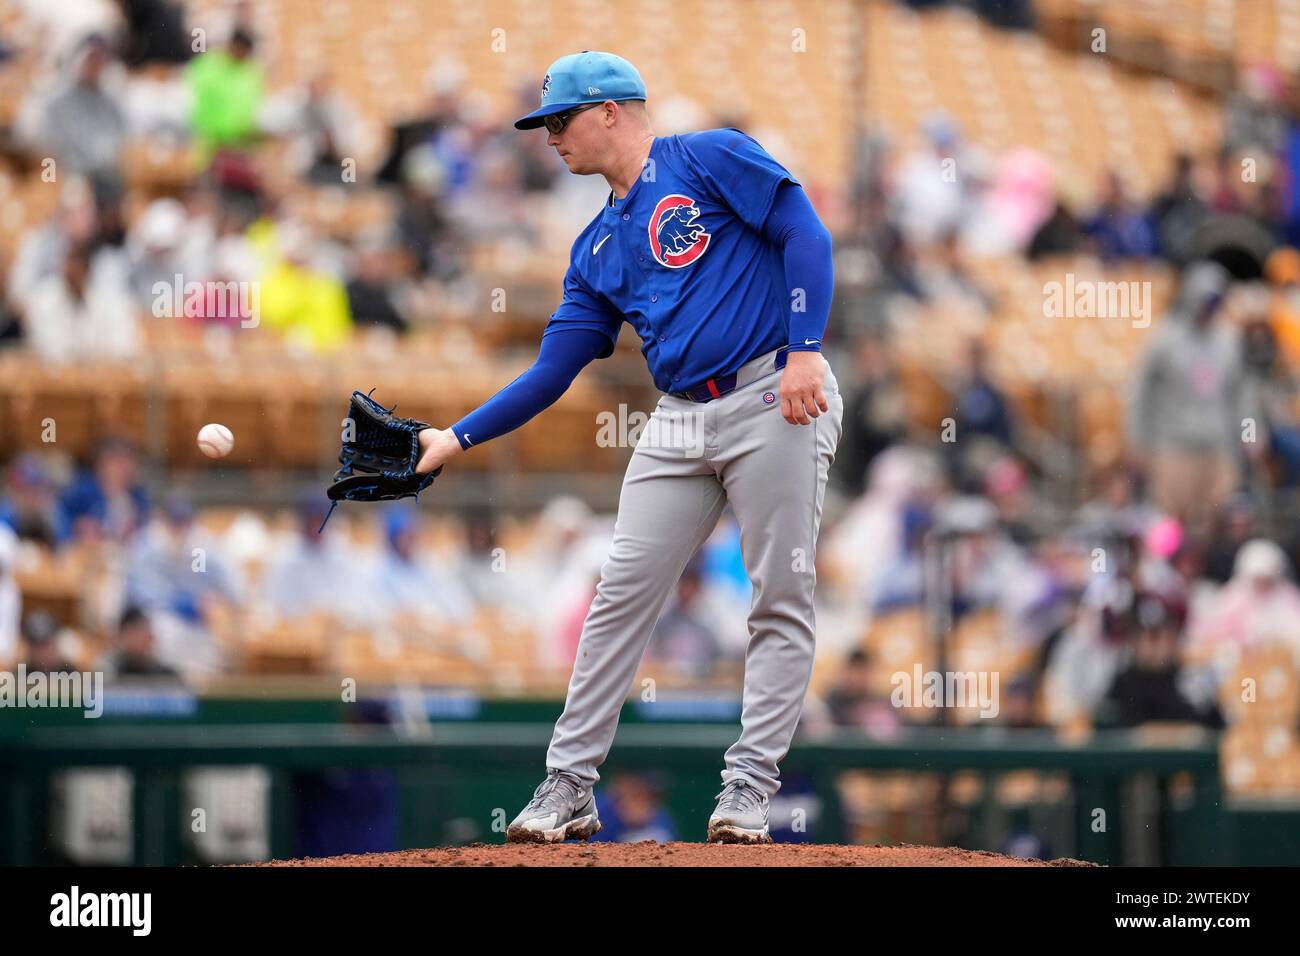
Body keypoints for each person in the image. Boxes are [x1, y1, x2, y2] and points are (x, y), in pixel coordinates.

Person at [410, 52, 842, 845]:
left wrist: (806, 347)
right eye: (543, 126)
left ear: (611, 111)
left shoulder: (708, 156)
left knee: (780, 590)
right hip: (679, 416)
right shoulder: (596, 245)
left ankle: (748, 788)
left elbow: (802, 230)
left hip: (773, 391)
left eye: (559, 120)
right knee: (618, 592)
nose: (549, 138)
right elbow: (552, 372)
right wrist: (457, 435)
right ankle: (569, 783)